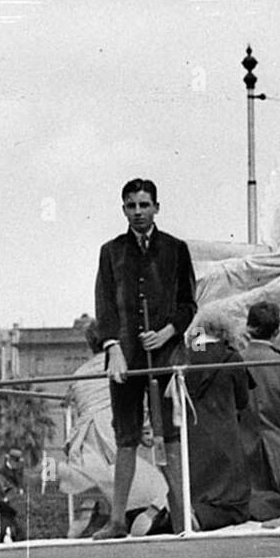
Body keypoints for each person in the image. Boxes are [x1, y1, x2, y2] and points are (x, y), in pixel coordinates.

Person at [92, 176, 197, 538]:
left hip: (166, 359)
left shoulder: (176, 249)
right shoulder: (111, 251)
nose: (138, 212)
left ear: (156, 207)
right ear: (124, 209)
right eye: (131, 206)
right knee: (126, 438)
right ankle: (118, 521)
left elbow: (188, 304)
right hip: (124, 361)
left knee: (171, 437)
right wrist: (113, 348)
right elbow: (104, 305)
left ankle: (184, 521)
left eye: (144, 205)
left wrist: (168, 331)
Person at [169, 308, 252, 531]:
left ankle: (192, 512)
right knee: (230, 495)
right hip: (225, 429)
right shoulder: (231, 357)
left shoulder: (185, 356)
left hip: (193, 432)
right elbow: (243, 400)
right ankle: (207, 518)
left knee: (198, 483)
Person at [239, 301, 280, 521]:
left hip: (243, 451)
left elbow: (196, 333)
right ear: (277, 331)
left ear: (247, 327)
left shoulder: (233, 361)